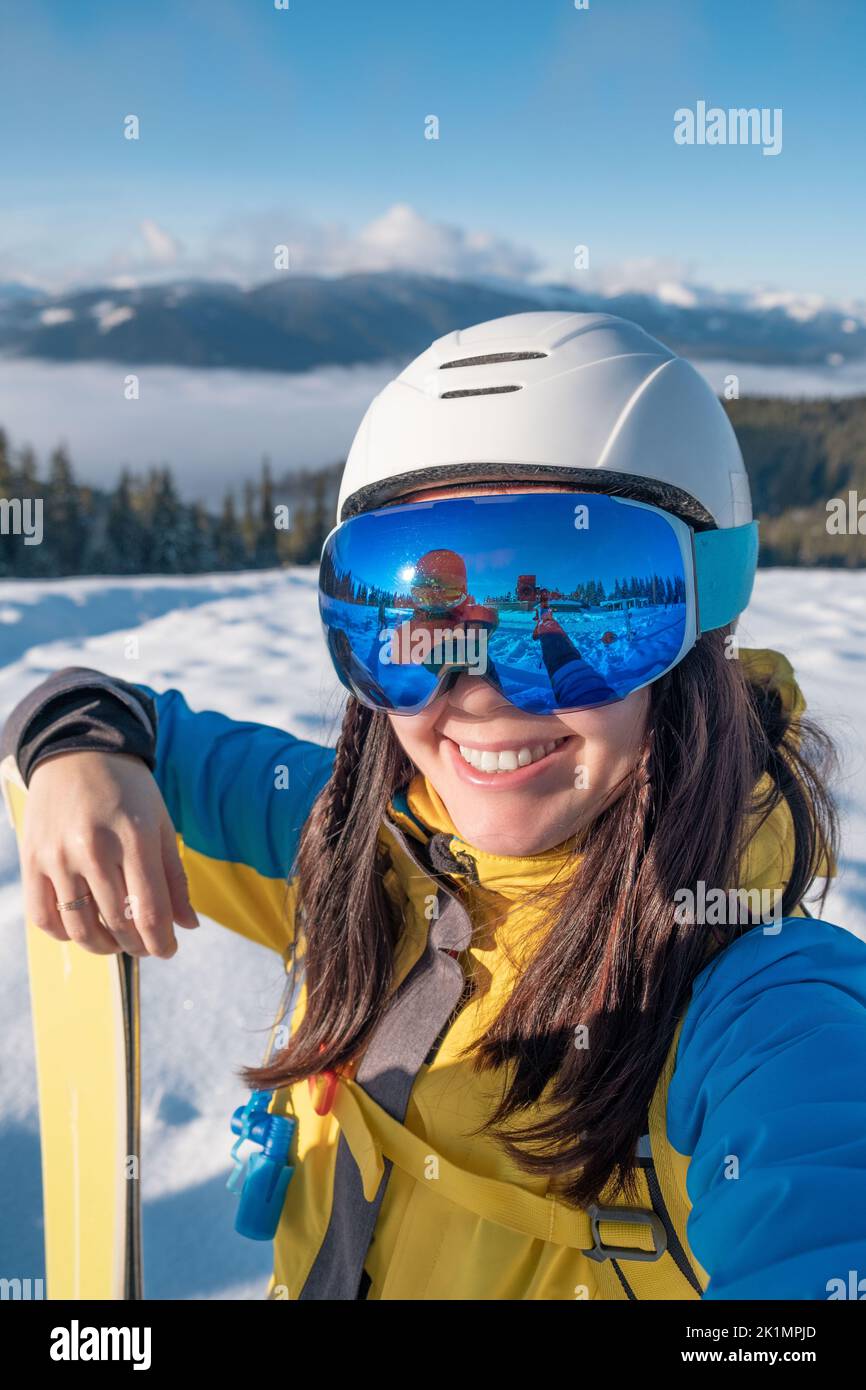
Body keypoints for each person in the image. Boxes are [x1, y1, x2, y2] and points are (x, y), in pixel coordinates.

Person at [5, 311, 866, 1301]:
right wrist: (80, 747)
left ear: (698, 630)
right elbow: (118, 719)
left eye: (596, 606)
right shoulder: (355, 845)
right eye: (415, 625)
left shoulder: (765, 1013)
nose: (479, 691)